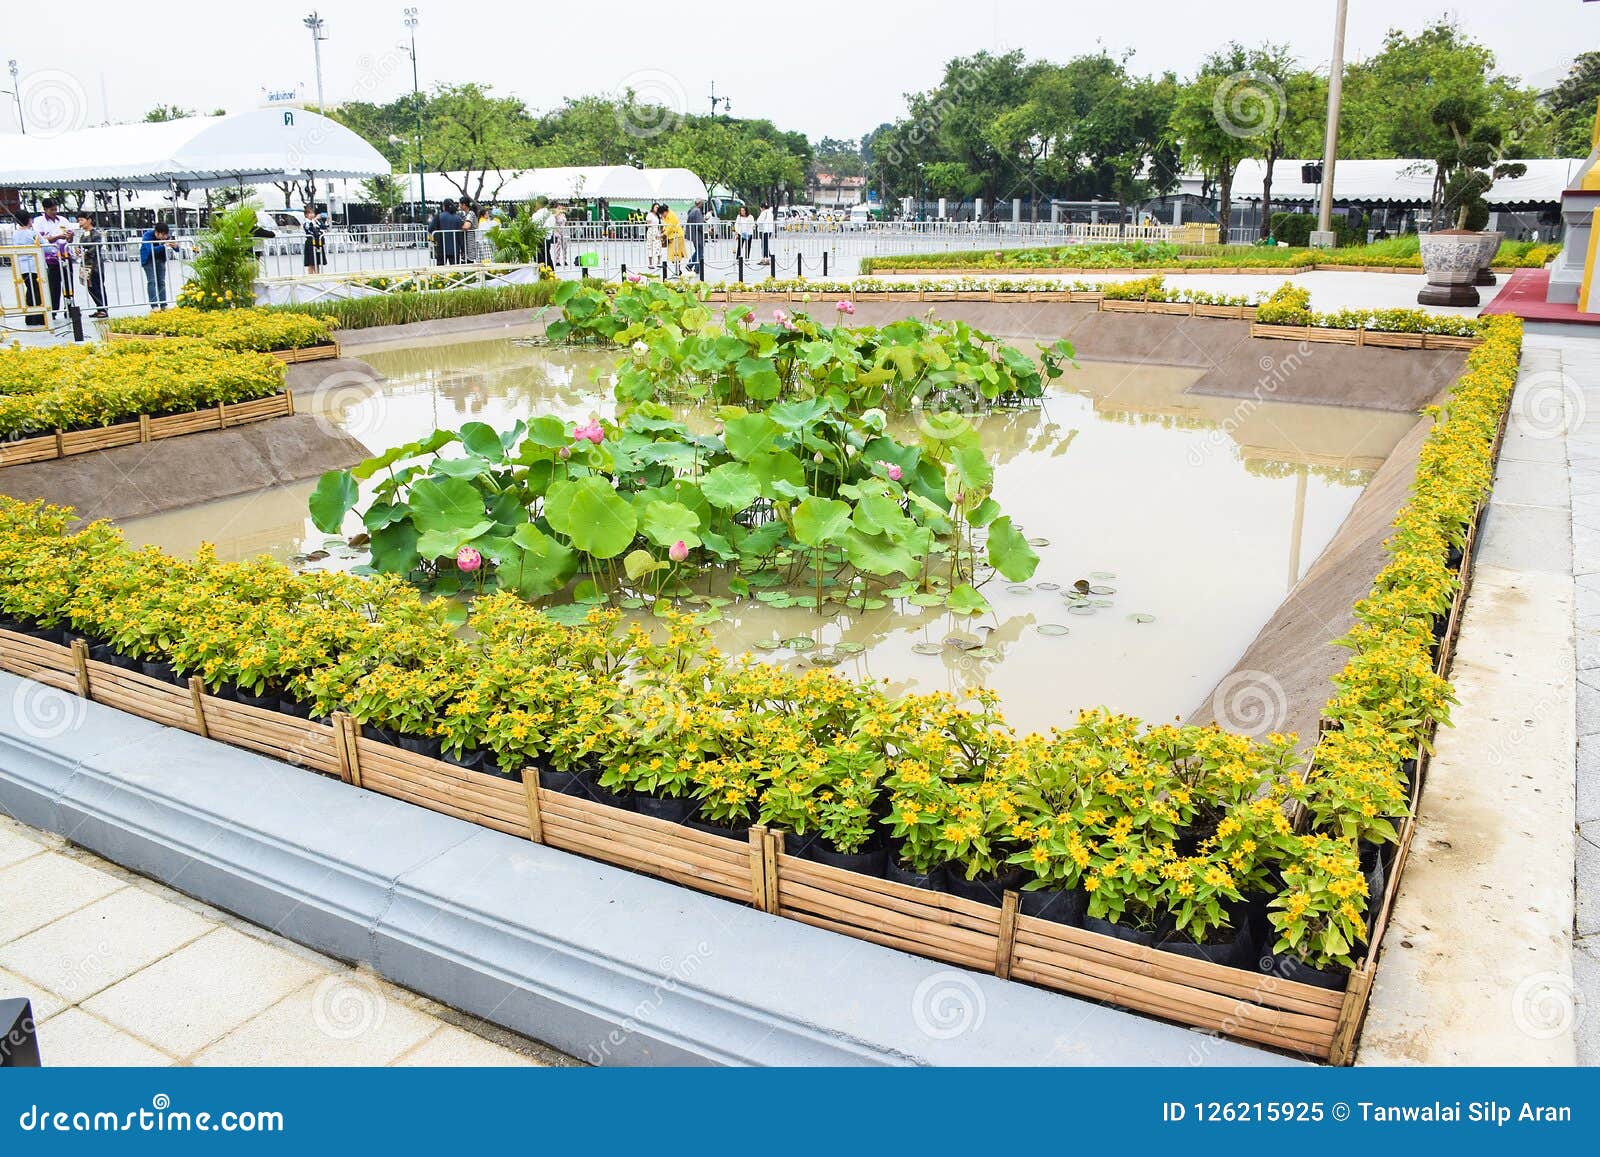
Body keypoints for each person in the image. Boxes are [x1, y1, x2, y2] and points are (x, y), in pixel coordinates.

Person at [31, 198, 75, 316]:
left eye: (56, 209)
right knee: (53, 286)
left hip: (65, 255)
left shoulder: (63, 220)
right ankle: (53, 311)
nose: (54, 212)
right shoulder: (39, 221)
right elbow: (40, 239)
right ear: (45, 209)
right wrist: (57, 237)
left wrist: (70, 236)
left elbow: (70, 239)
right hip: (50, 258)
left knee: (68, 283)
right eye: (51, 210)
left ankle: (70, 309)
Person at [10, 211, 44, 326]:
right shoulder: (33, 234)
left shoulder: (15, 234)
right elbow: (46, 246)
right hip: (34, 266)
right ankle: (37, 317)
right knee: (36, 291)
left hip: (21, 267)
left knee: (30, 290)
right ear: (29, 220)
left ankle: (30, 317)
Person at [139, 222, 180, 310]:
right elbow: (150, 251)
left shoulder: (166, 237)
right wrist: (164, 246)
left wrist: (175, 245)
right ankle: (154, 305)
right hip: (148, 260)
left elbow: (177, 249)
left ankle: (163, 304)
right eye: (163, 235)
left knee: (161, 282)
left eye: (166, 235)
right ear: (157, 232)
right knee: (152, 281)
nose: (165, 237)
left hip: (160, 260)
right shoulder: (147, 236)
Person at [75, 212, 108, 318]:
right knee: (89, 286)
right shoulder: (83, 234)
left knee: (98, 286)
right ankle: (99, 307)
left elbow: (97, 246)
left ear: (89, 220)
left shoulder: (96, 233)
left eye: (82, 220)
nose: (80, 223)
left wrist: (87, 253)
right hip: (85, 265)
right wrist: (78, 250)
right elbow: (80, 246)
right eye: (79, 220)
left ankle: (103, 308)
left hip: (95, 265)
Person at [430, 199, 464, 264]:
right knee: (455, 270)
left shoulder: (438, 216)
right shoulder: (458, 218)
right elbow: (460, 235)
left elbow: (430, 229)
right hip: (455, 248)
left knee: (441, 270)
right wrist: (462, 249)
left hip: (441, 248)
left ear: (444, 206)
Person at [662, 203, 686, 277]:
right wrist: (663, 231)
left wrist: (664, 234)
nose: (662, 215)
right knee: (673, 255)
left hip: (677, 236)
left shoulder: (671, 215)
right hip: (672, 237)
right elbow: (665, 226)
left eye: (662, 213)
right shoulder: (666, 216)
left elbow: (670, 227)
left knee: (676, 254)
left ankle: (677, 271)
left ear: (665, 211)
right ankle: (677, 270)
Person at [302, 205, 326, 273]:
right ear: (306, 215)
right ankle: (311, 276)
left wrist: (321, 220)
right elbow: (311, 229)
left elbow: (323, 227)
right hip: (310, 242)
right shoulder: (306, 222)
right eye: (310, 213)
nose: (312, 215)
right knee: (311, 262)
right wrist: (314, 220)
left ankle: (318, 275)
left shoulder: (315, 221)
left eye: (312, 213)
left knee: (317, 261)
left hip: (318, 242)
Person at [686, 201, 706, 279]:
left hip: (693, 234)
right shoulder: (697, 211)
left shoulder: (692, 210)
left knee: (698, 250)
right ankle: (697, 268)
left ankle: (690, 265)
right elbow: (699, 224)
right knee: (700, 251)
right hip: (697, 235)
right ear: (700, 204)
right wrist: (706, 230)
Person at [644, 202, 663, 275]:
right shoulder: (650, 214)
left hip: (656, 231)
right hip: (651, 231)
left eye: (658, 207)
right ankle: (650, 263)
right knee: (650, 246)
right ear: (653, 207)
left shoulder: (658, 215)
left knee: (658, 246)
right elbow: (648, 223)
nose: (657, 208)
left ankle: (658, 262)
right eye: (656, 207)